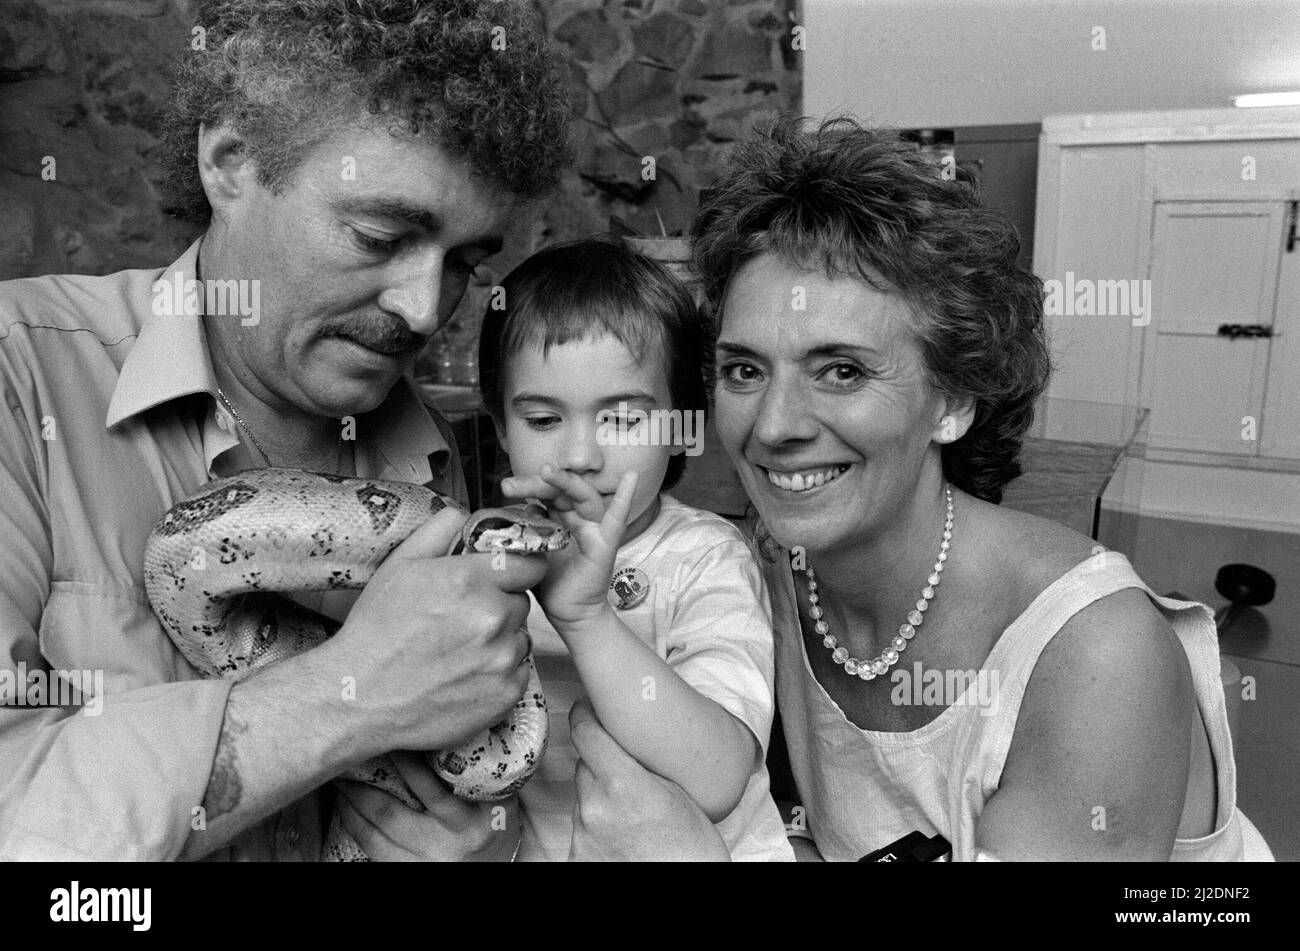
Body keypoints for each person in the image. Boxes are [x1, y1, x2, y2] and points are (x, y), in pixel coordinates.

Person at [566, 116, 1257, 861]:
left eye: (843, 370)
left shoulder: (1094, 653)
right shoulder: (760, 575)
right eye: (745, 369)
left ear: (953, 399)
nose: (773, 425)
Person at [0, 0, 570, 861]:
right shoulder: (19, 374)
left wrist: (477, 846)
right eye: (380, 234)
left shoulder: (427, 460)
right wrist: (357, 696)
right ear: (230, 161)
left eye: (465, 262)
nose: (424, 311)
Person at [478, 237, 793, 861]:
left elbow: (716, 777)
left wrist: (587, 618)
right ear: (499, 429)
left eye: (622, 420)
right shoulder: (489, 559)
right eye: (542, 420)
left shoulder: (705, 558)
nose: (578, 456)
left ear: (682, 430)